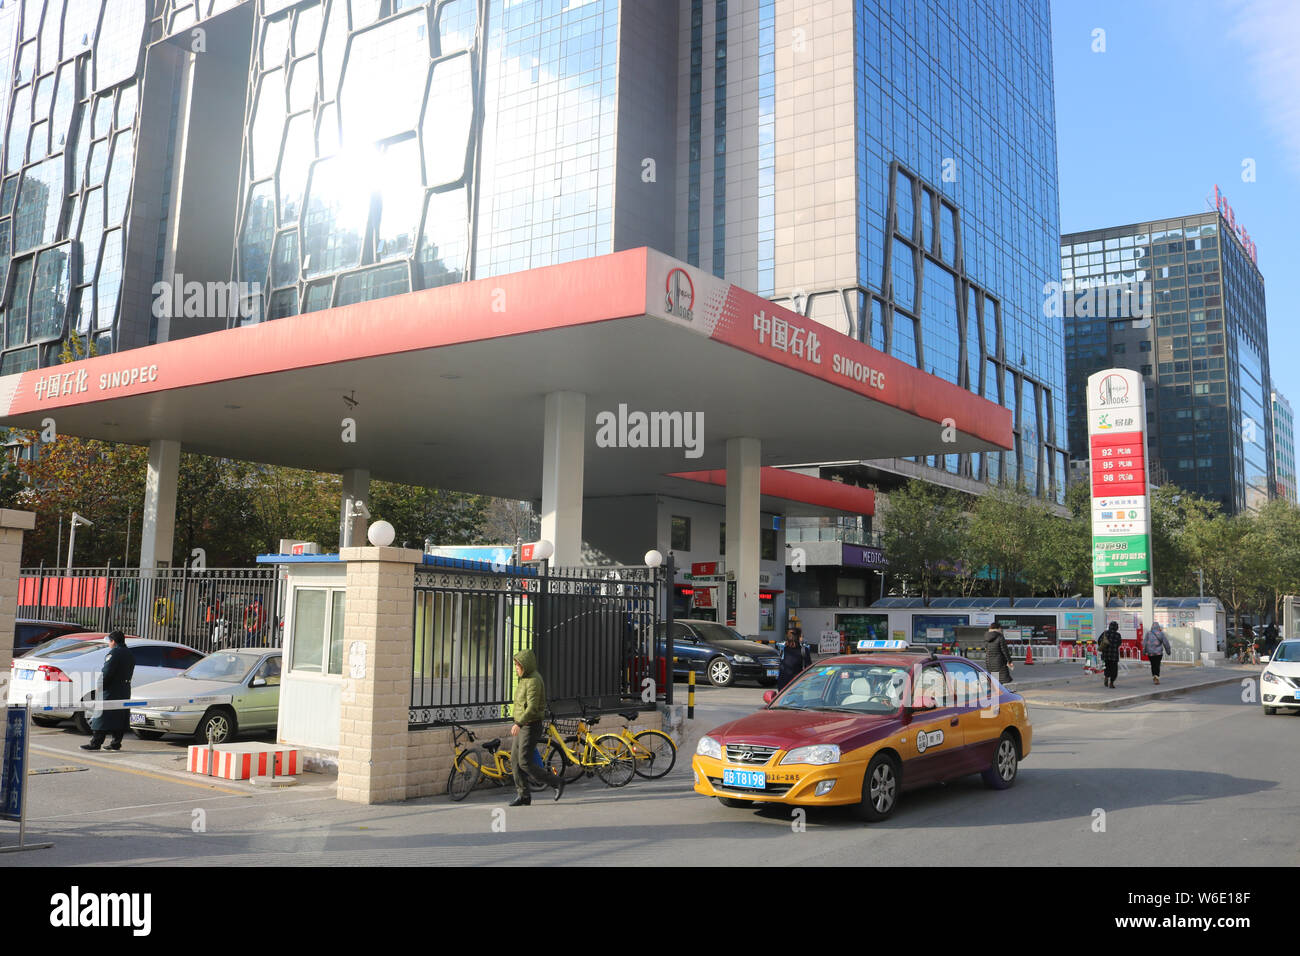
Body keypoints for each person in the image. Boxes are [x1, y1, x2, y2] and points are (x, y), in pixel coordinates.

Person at [508, 648, 561, 806]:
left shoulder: (534, 681)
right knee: (514, 761)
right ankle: (523, 795)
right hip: (523, 724)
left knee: (524, 762)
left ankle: (555, 782)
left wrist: (519, 723)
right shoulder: (525, 679)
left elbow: (531, 708)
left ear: (526, 665)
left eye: (518, 666)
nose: (516, 669)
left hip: (530, 725)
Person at [82, 631, 134, 751]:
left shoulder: (114, 653)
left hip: (110, 690)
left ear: (113, 641)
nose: (109, 644)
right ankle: (116, 743)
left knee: (100, 717)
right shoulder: (129, 653)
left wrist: (100, 686)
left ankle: (95, 743)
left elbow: (107, 672)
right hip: (124, 690)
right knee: (119, 716)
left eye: (109, 642)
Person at [1144, 620, 1172, 685]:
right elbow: (1166, 643)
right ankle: (1156, 677)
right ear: (1158, 626)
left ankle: (1154, 676)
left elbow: (1144, 643)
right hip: (1158, 653)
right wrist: (1168, 651)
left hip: (1150, 653)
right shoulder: (1161, 633)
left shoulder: (1148, 633)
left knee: (1153, 664)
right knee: (1157, 664)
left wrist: (1144, 651)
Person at [1099, 621, 1122, 688]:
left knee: (1107, 667)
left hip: (1106, 654)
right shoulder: (1118, 635)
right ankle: (1111, 683)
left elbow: (1099, 640)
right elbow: (1119, 643)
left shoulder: (1105, 633)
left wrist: (1104, 647)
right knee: (1114, 669)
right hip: (1114, 655)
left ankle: (1106, 676)